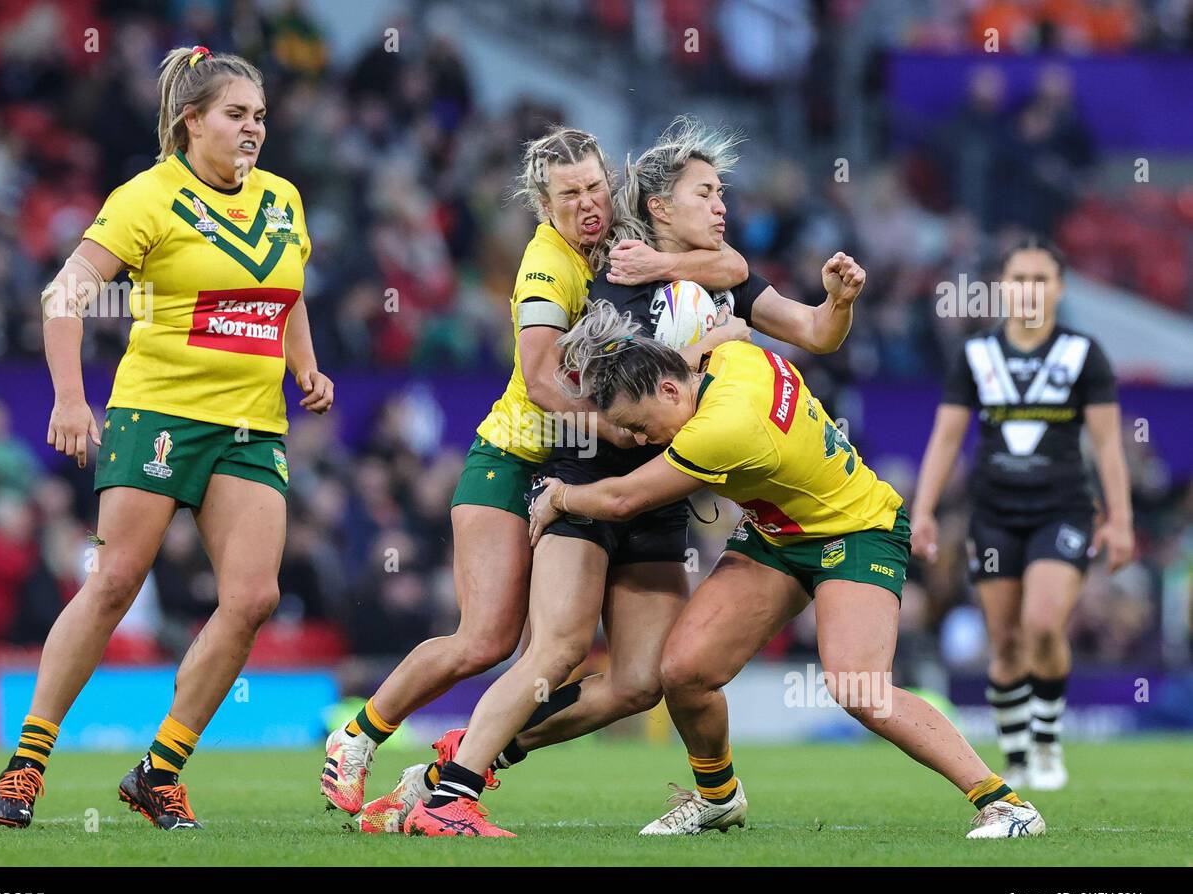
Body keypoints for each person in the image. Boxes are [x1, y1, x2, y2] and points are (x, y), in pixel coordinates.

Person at [401, 119, 868, 837]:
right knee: (555, 650)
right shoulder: (618, 271)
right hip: (584, 483)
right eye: (705, 193)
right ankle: (447, 795)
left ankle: (463, 761)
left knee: (640, 681)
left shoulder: (710, 276)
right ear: (657, 208)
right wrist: (713, 342)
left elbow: (805, 326)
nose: (721, 206)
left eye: (722, 194)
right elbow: (623, 387)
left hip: (657, 500)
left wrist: (838, 303)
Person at [320, 127, 749, 819]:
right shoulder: (547, 262)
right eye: (568, 195)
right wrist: (623, 428)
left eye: (594, 188)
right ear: (541, 205)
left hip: (588, 466)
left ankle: (471, 758)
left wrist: (672, 274)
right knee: (487, 638)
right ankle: (360, 734)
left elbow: (730, 268)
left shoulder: (625, 235)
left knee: (633, 679)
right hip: (516, 457)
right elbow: (543, 377)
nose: (587, 206)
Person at [501, 320, 1047, 840]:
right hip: (777, 532)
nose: (641, 439)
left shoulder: (722, 429)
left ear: (669, 391)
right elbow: (727, 336)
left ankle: (1004, 803)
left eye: (641, 426)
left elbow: (623, 498)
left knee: (859, 687)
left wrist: (560, 496)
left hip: (857, 530)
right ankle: (717, 796)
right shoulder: (731, 361)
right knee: (684, 671)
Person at [0, 45, 332, 830]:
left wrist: (304, 366)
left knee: (252, 600)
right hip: (159, 416)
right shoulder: (147, 197)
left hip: (250, 425)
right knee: (113, 584)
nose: (255, 131)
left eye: (261, 117)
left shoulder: (282, 198)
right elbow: (65, 294)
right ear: (191, 122)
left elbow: (288, 292)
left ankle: (159, 768)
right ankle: (29, 759)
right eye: (237, 116)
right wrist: (71, 400)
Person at [911, 237, 1132, 791]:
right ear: (1002, 289)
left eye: (1041, 280)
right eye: (1019, 280)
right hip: (993, 514)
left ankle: (1047, 743)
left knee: (1041, 625)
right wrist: (925, 511)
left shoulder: (1084, 354)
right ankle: (1014, 757)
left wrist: (1120, 518)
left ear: (1058, 288)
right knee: (1005, 640)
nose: (1029, 291)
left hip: (1062, 510)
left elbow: (1107, 445)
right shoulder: (976, 355)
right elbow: (946, 439)